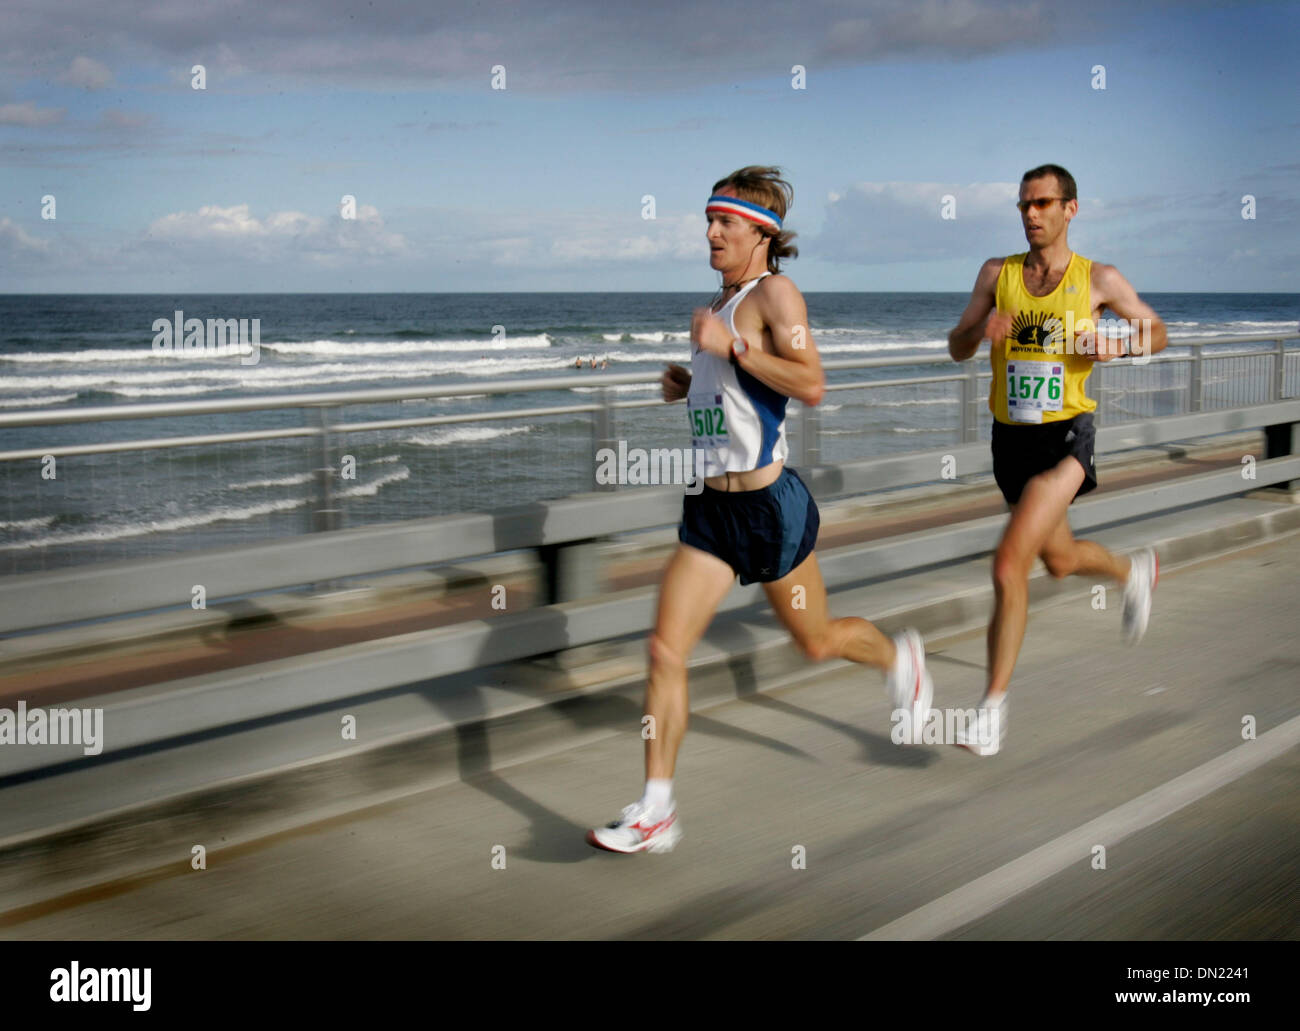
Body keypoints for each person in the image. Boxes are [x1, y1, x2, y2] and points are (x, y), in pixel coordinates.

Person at [587, 166, 935, 853]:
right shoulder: (715, 307)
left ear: (762, 233)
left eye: (725, 223)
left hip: (770, 512)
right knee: (664, 649)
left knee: (815, 640)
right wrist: (691, 381)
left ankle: (901, 661)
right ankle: (657, 809)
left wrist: (735, 349)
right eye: (709, 221)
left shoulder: (776, 293)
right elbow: (735, 395)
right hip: (712, 516)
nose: (710, 233)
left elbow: (811, 382)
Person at [945, 163, 1167, 756]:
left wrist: (1117, 344)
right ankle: (1131, 572)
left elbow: (1157, 332)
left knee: (1007, 565)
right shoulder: (998, 274)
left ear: (1071, 208)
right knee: (1061, 561)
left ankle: (990, 709)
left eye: (1043, 204)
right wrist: (979, 332)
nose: (1031, 215)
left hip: (1067, 436)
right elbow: (956, 345)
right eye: (1023, 206)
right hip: (1009, 439)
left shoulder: (1099, 279)